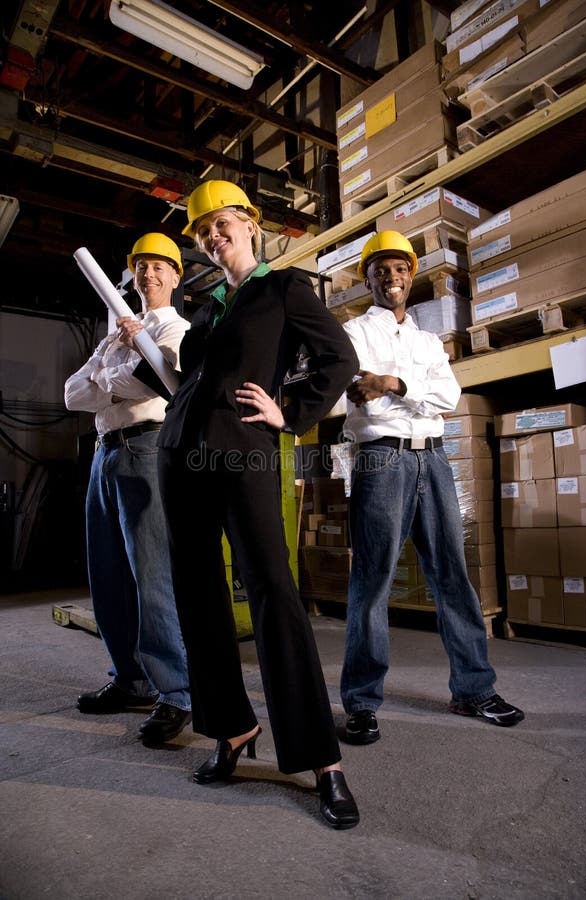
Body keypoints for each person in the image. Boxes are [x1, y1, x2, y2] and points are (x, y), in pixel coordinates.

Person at [149, 179, 360, 829]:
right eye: (203, 231)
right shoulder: (206, 308)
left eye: (222, 224)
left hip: (243, 453)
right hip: (181, 457)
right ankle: (233, 729)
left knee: (273, 589)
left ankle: (321, 759)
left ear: (250, 223)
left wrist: (290, 413)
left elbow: (337, 358)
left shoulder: (283, 289)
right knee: (198, 595)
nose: (213, 236)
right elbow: (188, 381)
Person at [339, 230, 525, 745]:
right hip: (381, 461)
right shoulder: (354, 333)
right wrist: (391, 393)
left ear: (411, 275)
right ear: (368, 278)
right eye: (380, 269)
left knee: (453, 578)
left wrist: (394, 384)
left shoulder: (427, 342)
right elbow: (362, 396)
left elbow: (447, 396)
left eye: (400, 268)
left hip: (434, 461)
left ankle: (474, 691)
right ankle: (360, 702)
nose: (391, 277)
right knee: (372, 583)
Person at [64, 233, 192, 746]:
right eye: (142, 266)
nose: (150, 274)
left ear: (176, 276)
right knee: (108, 575)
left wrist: (106, 375)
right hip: (104, 452)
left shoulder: (172, 326)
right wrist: (114, 365)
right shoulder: (115, 332)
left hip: (145, 447)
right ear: (131, 275)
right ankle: (131, 679)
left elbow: (156, 379)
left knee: (151, 573)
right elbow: (72, 392)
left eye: (161, 266)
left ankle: (177, 691)